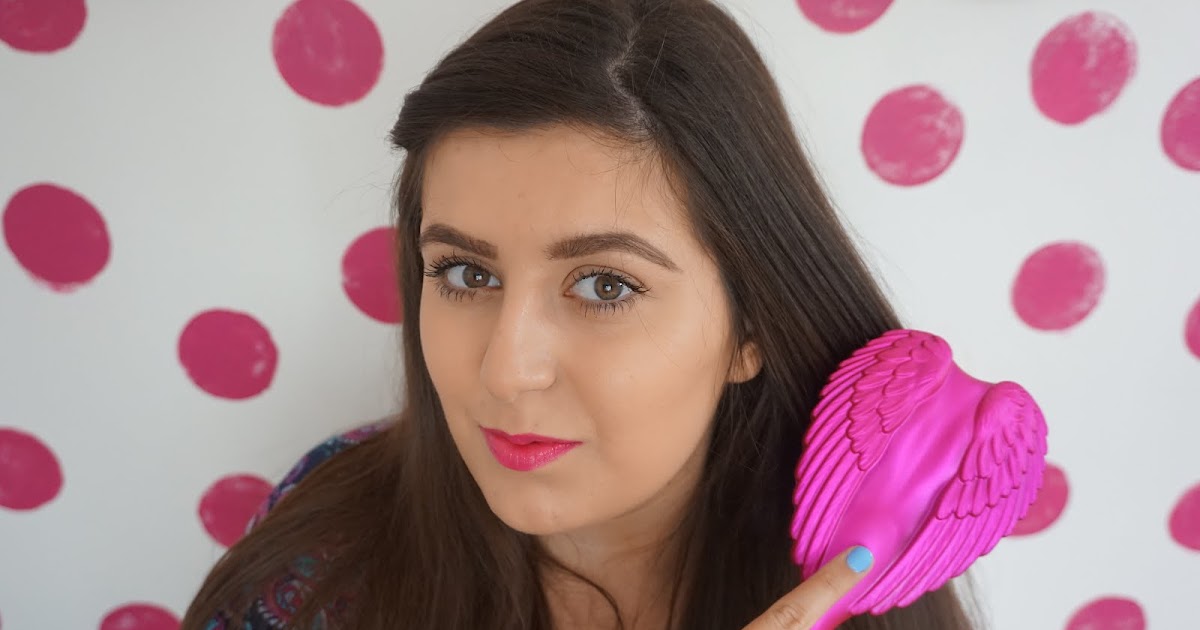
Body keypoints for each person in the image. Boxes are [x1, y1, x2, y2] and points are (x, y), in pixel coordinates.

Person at [182, 0, 979, 628]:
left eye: (604, 286)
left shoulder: (870, 574)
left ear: (750, 325)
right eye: (465, 273)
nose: (506, 371)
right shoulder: (324, 556)